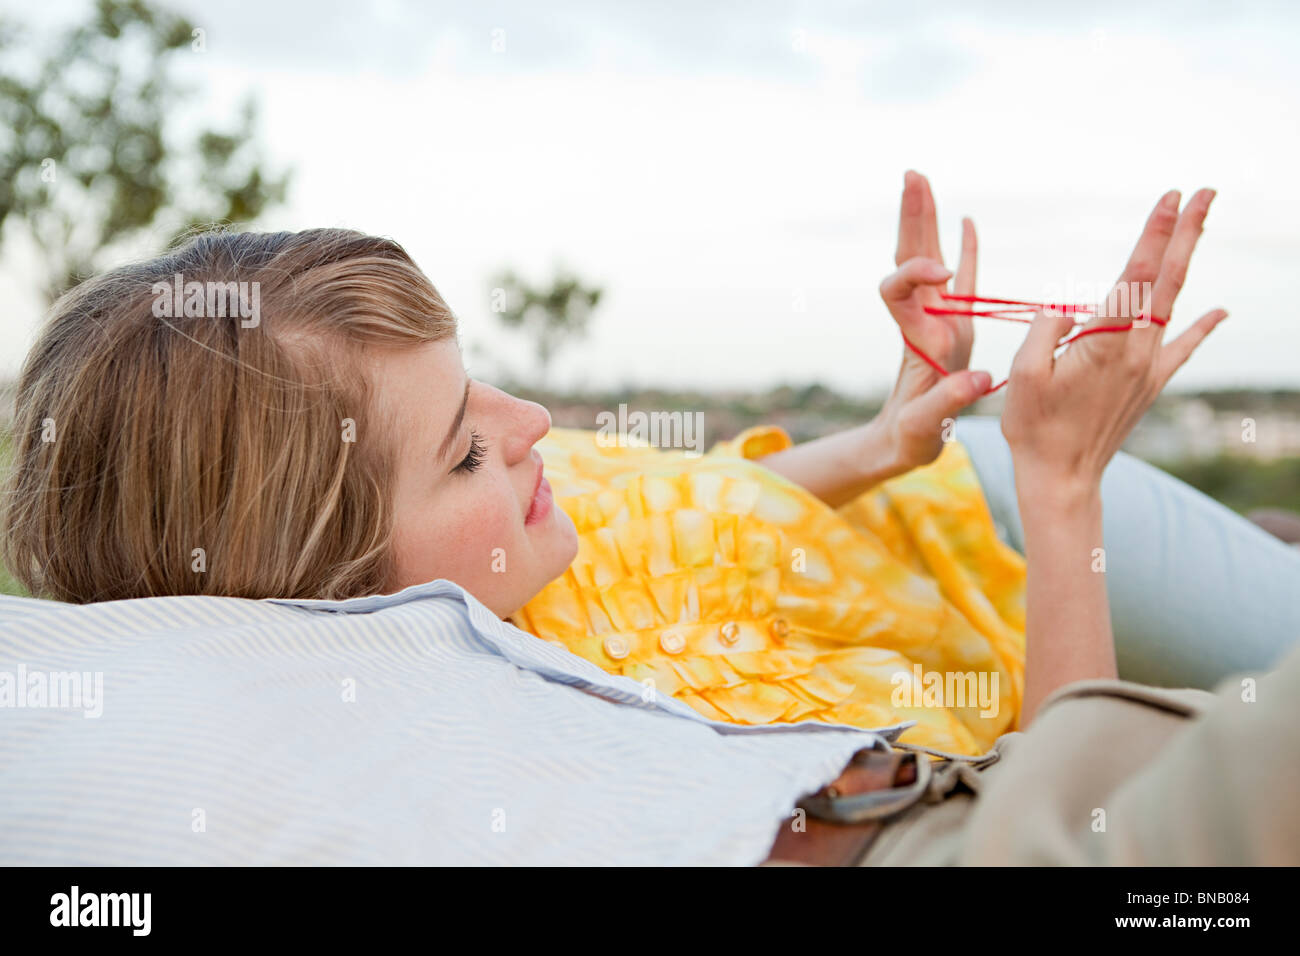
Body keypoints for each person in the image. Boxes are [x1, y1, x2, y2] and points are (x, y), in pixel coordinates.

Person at [3, 173, 1297, 764]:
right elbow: (1089, 825)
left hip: (970, 496)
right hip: (1056, 581)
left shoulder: (501, 530)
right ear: (342, 596)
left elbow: (677, 509)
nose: (535, 424)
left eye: (480, 382)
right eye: (465, 448)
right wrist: (1069, 495)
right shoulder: (604, 749)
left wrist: (895, 433)